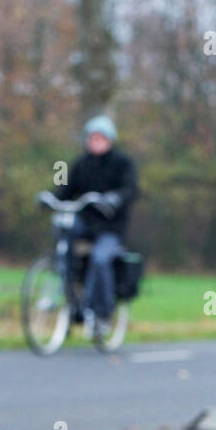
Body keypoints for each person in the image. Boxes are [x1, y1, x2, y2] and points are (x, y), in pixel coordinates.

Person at [55, 115, 138, 336]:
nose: (96, 142)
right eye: (92, 138)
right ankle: (69, 289)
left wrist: (116, 198)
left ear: (110, 140)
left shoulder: (122, 163)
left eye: (100, 138)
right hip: (84, 222)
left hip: (110, 227)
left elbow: (131, 189)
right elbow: (64, 188)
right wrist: (51, 198)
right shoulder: (78, 164)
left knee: (101, 260)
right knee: (63, 233)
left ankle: (103, 313)